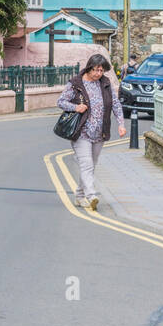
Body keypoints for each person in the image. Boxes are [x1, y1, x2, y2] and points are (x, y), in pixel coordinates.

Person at [57, 53, 126, 211]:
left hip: (99, 132)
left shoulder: (105, 84)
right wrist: (75, 107)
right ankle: (91, 195)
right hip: (81, 132)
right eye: (96, 70)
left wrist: (121, 124)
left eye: (101, 71)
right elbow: (60, 101)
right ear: (89, 68)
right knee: (86, 164)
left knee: (90, 165)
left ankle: (80, 195)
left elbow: (115, 104)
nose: (98, 74)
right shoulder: (76, 84)